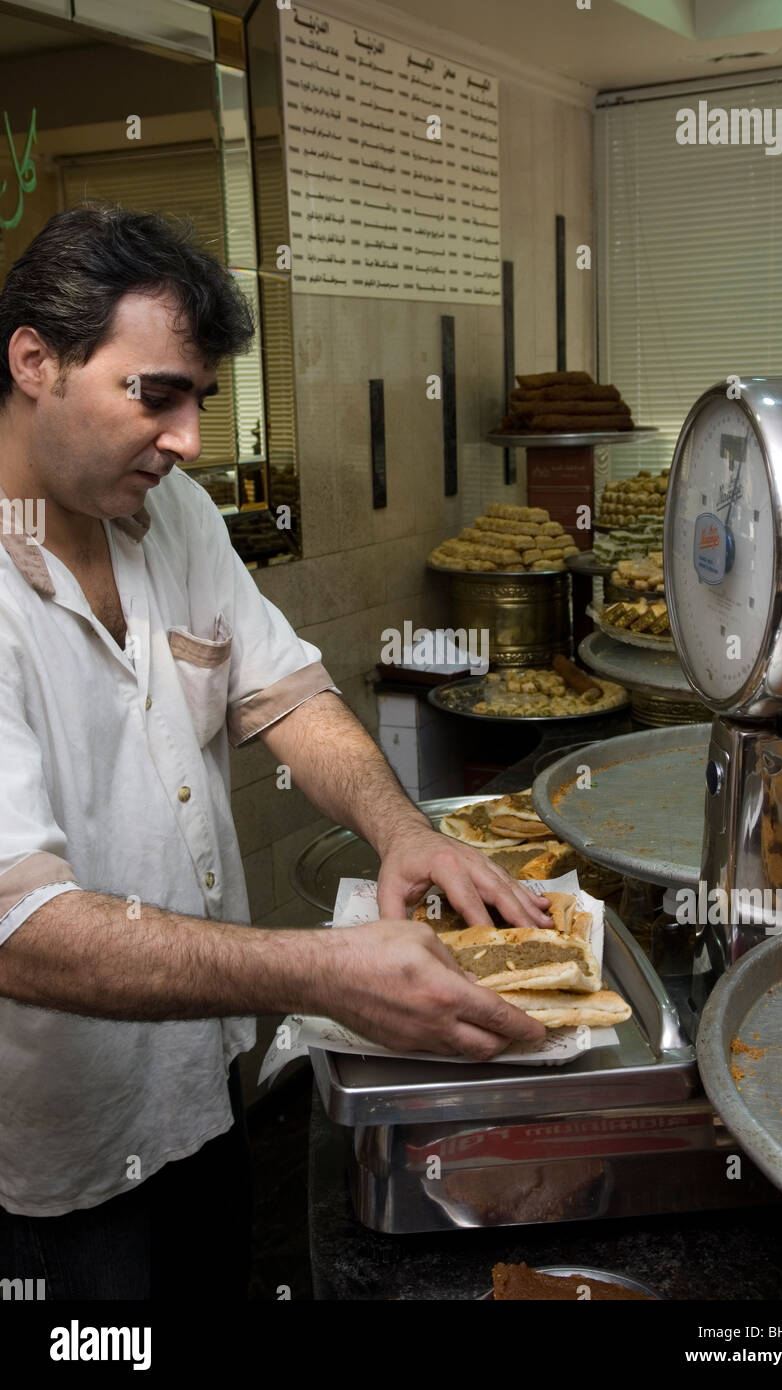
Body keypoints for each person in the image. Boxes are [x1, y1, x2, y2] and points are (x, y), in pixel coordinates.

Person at [0, 206, 550, 1299]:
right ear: (35, 361)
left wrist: (404, 832)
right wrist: (324, 972)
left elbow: (285, 693)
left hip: (205, 1087)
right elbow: (21, 931)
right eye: (153, 394)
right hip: (51, 1166)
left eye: (199, 400)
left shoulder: (172, 515)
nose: (189, 438)